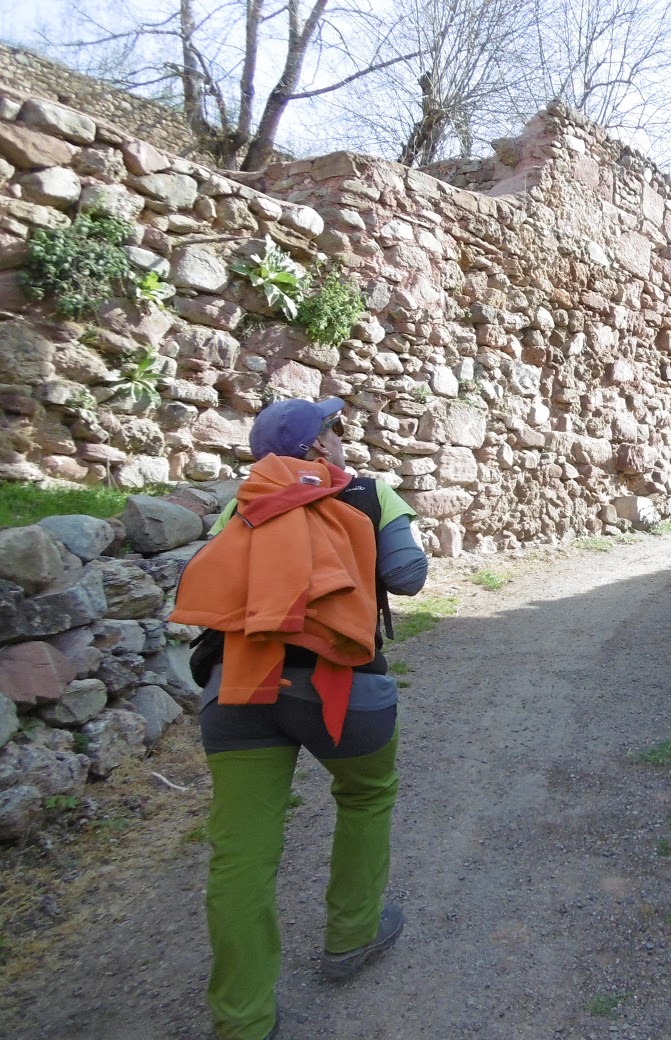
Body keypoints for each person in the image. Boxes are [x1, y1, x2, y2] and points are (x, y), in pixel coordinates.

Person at [172, 396, 429, 1040]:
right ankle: (352, 934)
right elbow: (408, 578)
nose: (343, 438)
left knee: (241, 853)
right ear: (319, 448)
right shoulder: (370, 495)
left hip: (238, 689)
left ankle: (242, 1018)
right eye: (336, 430)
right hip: (341, 691)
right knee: (366, 794)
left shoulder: (243, 504)